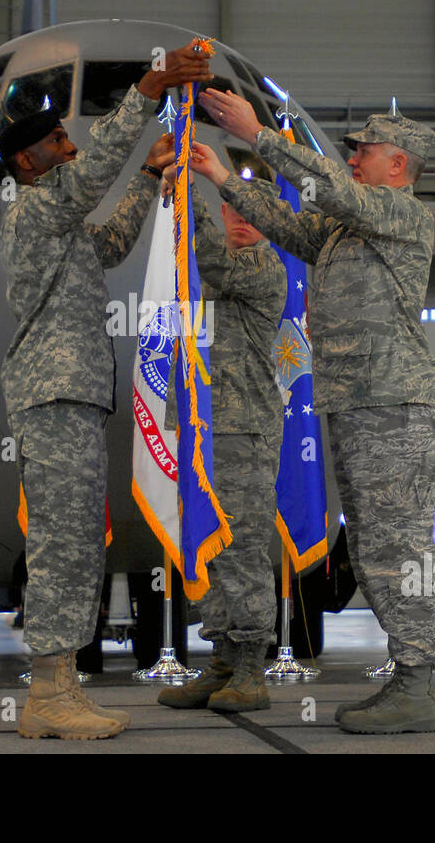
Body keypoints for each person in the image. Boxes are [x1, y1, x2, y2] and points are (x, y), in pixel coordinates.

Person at [193, 92, 435, 734]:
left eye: (364, 149)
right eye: (354, 148)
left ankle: (416, 683)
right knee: (369, 543)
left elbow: (328, 188)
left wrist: (262, 133)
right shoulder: (346, 228)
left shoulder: (399, 212)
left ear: (398, 164)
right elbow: (287, 223)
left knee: (398, 545)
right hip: (359, 403)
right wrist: (223, 178)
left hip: (394, 403)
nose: (353, 156)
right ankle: (405, 676)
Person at [0, 40, 211, 740]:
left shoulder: (60, 221)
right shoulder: (35, 206)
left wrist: (150, 178)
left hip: (75, 397)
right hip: (55, 397)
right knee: (62, 545)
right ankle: (47, 694)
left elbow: (112, 240)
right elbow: (90, 184)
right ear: (28, 160)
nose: (69, 143)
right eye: (58, 137)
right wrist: (149, 89)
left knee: (78, 542)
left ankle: (60, 686)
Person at [155, 171, 286, 714]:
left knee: (244, 547)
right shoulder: (215, 273)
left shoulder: (261, 267)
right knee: (210, 546)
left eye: (248, 208)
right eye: (229, 206)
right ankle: (224, 659)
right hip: (204, 429)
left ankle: (253, 665)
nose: (238, 216)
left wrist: (189, 194)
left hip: (242, 429)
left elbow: (209, 258)